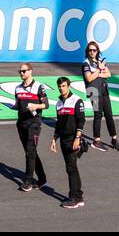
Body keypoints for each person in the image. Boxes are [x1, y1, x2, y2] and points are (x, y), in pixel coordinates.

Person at [50, 76, 86, 208]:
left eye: (63, 86)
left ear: (68, 86)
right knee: (71, 168)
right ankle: (79, 196)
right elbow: (59, 123)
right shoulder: (59, 103)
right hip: (63, 139)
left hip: (73, 139)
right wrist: (54, 139)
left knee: (71, 168)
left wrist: (78, 137)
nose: (61, 88)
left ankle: (74, 198)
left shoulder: (77, 100)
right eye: (59, 86)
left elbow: (81, 120)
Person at [13, 62, 49, 190]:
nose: (21, 73)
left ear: (30, 71)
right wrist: (15, 106)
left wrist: (35, 106)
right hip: (21, 123)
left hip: (34, 124)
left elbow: (46, 104)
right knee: (31, 152)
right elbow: (17, 103)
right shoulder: (18, 88)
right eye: (20, 71)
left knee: (29, 152)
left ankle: (28, 181)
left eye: (24, 71)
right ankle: (42, 178)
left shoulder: (39, 86)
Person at [82, 40, 119, 151]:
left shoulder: (100, 61)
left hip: (104, 90)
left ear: (97, 50)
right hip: (93, 90)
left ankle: (114, 138)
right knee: (98, 115)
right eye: (90, 50)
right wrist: (99, 70)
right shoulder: (86, 63)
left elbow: (108, 74)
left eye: (94, 50)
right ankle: (96, 140)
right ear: (87, 52)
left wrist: (98, 72)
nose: (92, 52)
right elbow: (89, 78)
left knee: (109, 115)